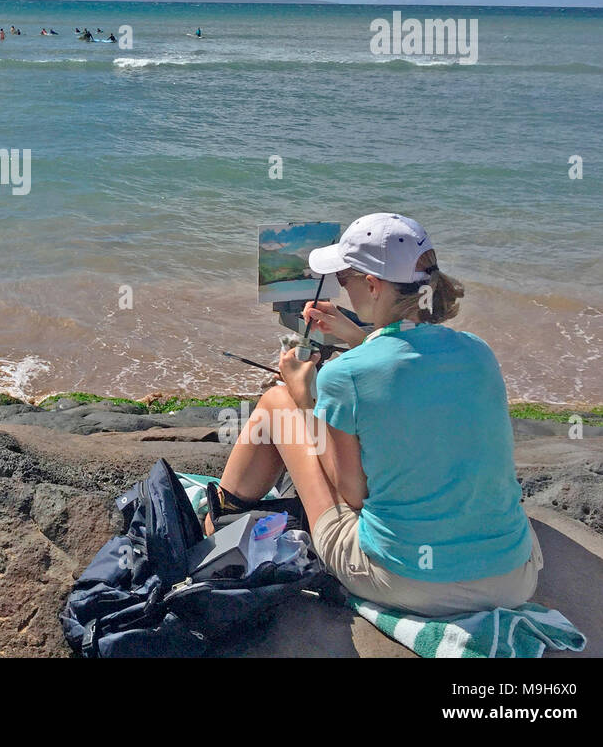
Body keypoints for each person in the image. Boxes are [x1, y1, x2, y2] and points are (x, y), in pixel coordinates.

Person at [203, 213, 541, 617]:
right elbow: (410, 371)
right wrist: (358, 337)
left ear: (373, 285)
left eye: (344, 280)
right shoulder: (478, 352)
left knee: (277, 401)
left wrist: (304, 398)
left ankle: (219, 522)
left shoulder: (347, 375)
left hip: (407, 580)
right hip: (513, 578)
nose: (343, 289)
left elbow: (354, 495)